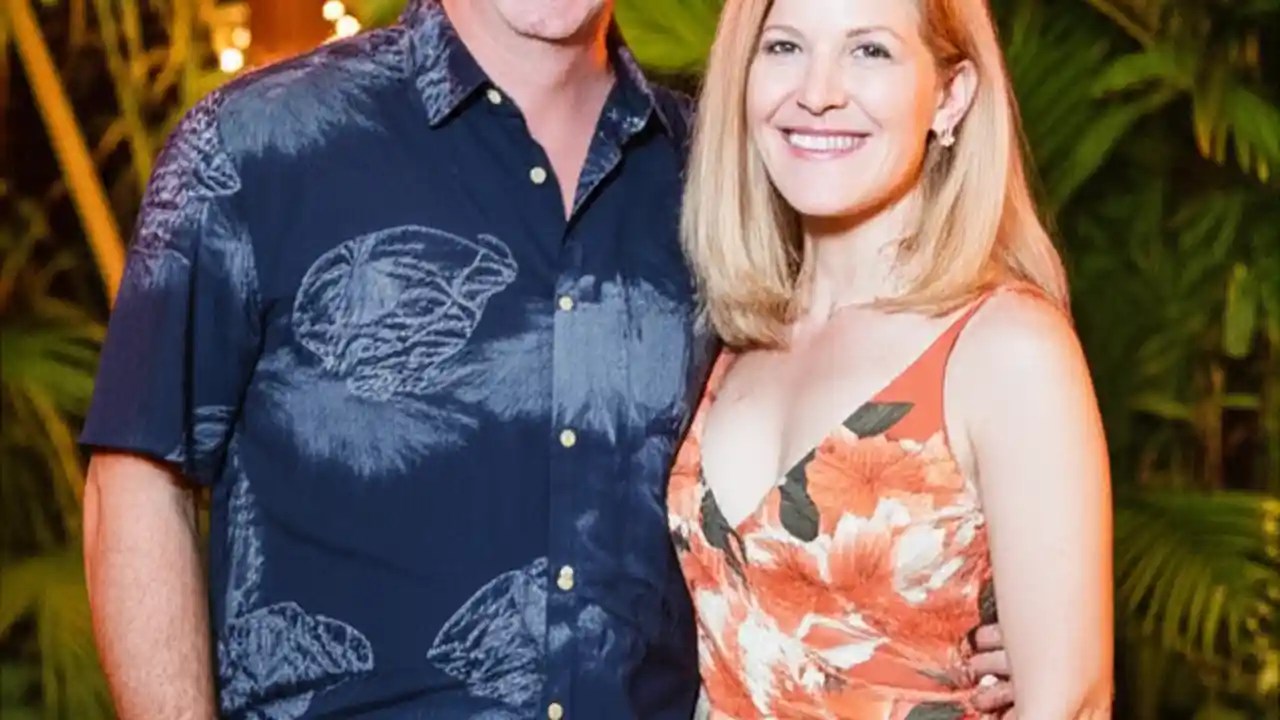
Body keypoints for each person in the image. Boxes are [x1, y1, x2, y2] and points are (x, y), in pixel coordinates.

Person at [79, 0, 1014, 717]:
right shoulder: (257, 149)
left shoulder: (731, 182)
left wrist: (958, 629)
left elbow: (859, 429)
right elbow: (136, 478)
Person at [668, 0, 1113, 717]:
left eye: (868, 51)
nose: (816, 92)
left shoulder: (1007, 350)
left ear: (951, 94)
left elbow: (1073, 703)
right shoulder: (732, 333)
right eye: (783, 47)